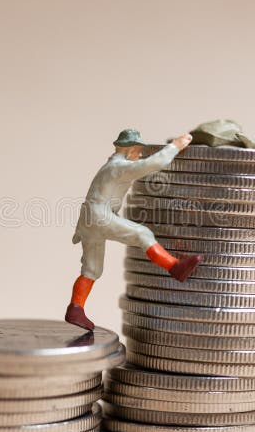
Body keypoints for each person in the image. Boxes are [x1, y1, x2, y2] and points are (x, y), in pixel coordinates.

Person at [65, 129, 202, 330]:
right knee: (142, 233)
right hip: (99, 216)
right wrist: (175, 146)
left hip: (89, 219)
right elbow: (151, 165)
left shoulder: (110, 166)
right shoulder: (119, 167)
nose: (139, 155)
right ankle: (175, 267)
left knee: (92, 269)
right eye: (138, 151)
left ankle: (75, 309)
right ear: (130, 150)